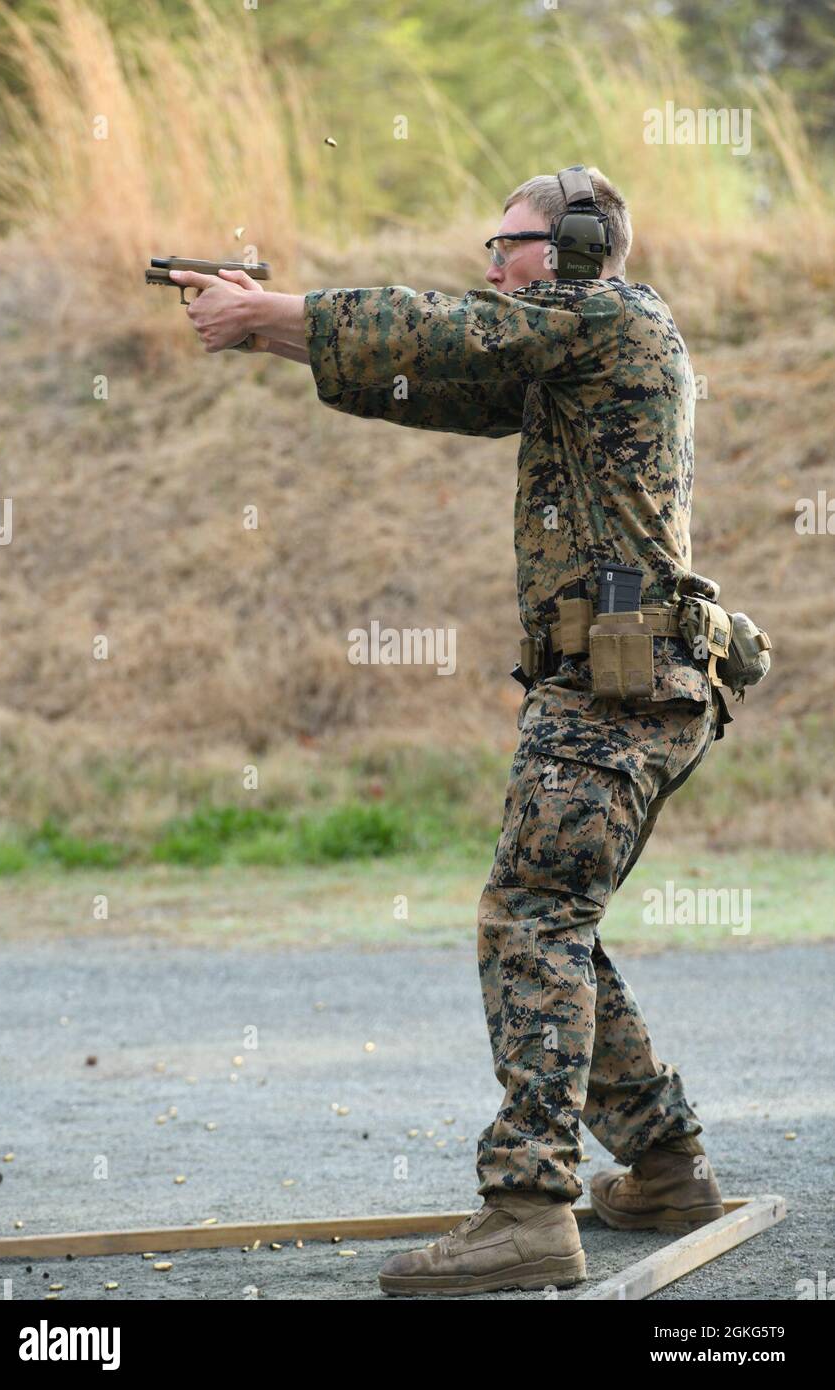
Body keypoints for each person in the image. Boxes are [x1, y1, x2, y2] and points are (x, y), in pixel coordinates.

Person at [171, 165, 726, 1298]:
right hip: (630, 682)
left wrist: (275, 311)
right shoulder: (576, 345)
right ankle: (663, 1164)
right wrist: (266, 329)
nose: (488, 263)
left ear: (572, 243)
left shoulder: (603, 312)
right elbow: (431, 371)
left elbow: (446, 330)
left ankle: (527, 1210)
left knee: (528, 918)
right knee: (557, 915)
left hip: (609, 692)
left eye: (506, 242)